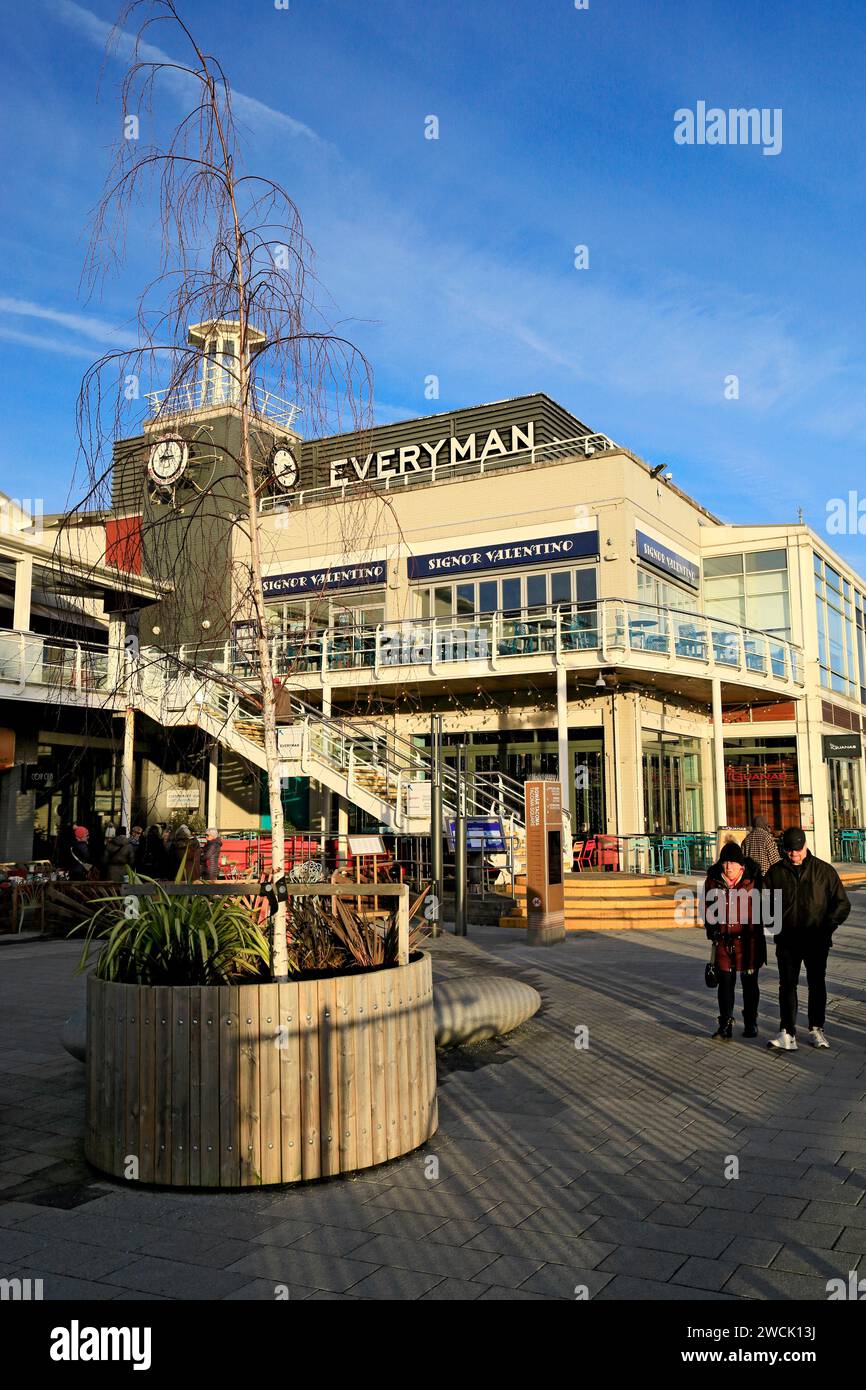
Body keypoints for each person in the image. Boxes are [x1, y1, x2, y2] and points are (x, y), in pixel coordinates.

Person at [762, 827, 851, 1050]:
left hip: (816, 940)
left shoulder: (824, 871)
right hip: (787, 941)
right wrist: (773, 925)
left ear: (805, 845)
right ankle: (787, 1031)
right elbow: (764, 901)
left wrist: (828, 926)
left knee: (816, 984)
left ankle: (816, 1028)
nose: (793, 854)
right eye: (789, 850)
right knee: (787, 985)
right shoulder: (776, 872)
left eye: (797, 849)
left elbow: (842, 903)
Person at [703, 842, 766, 1040]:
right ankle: (725, 1023)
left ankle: (751, 1021)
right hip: (724, 942)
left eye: (732, 862)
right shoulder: (713, 881)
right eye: (725, 862)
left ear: (741, 865)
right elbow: (706, 906)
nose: (728, 866)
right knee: (725, 984)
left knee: (750, 984)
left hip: (749, 942)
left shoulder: (754, 880)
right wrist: (711, 929)